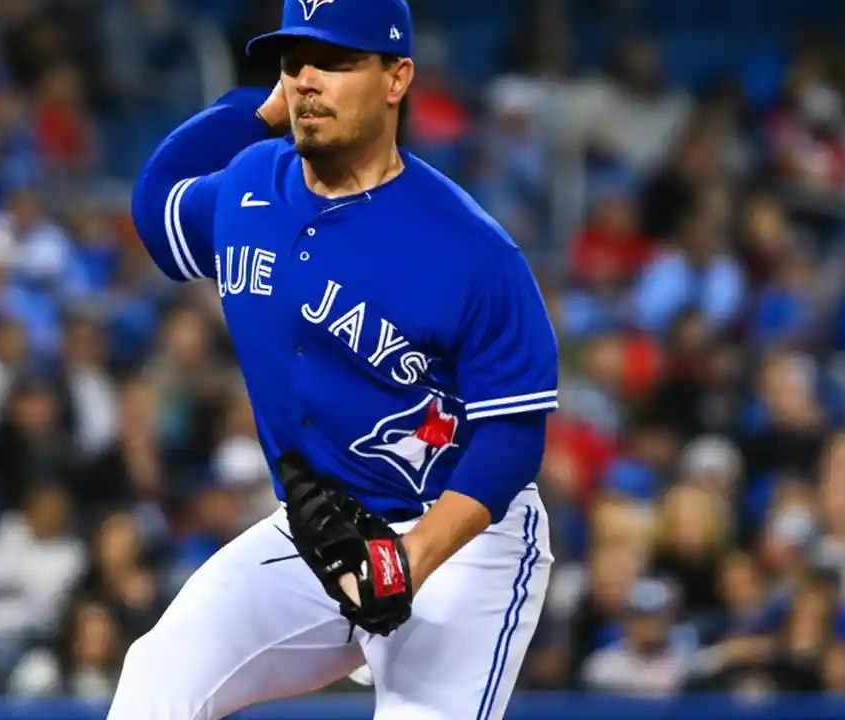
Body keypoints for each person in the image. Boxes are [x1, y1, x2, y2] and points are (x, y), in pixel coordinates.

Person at [109, 1, 559, 718]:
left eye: (337, 60)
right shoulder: (253, 185)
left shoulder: (471, 249)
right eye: (294, 61)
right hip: (320, 528)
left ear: (396, 77)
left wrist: (410, 562)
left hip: (460, 537)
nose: (309, 78)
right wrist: (260, 111)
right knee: (156, 675)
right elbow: (156, 204)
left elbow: (511, 441)